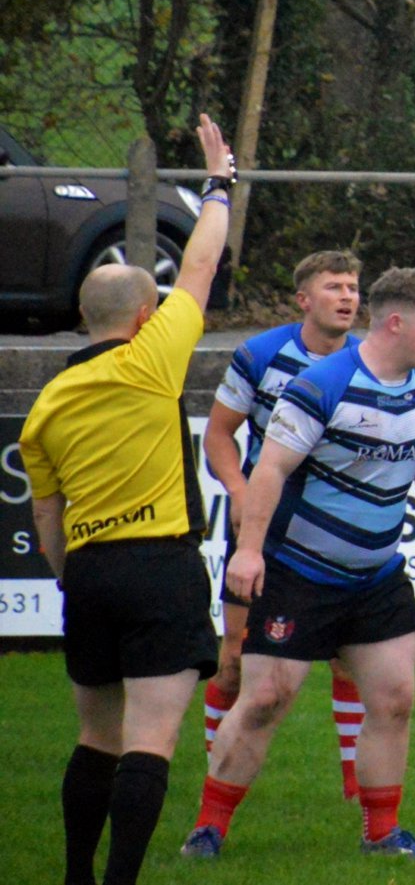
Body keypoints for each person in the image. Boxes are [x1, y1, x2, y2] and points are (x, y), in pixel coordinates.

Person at [183, 267, 415, 860]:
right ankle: (208, 828)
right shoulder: (321, 385)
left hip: (375, 576)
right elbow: (269, 470)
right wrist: (248, 552)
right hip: (297, 571)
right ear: (396, 322)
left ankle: (382, 834)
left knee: (396, 698)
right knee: (267, 698)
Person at [22, 114, 236, 885]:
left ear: (85, 317)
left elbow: (47, 518)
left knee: (95, 735)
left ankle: (77, 874)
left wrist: (69, 574)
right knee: (152, 738)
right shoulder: (151, 361)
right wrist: (219, 183)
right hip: (158, 565)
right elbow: (203, 265)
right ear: (145, 316)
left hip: (89, 573)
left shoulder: (48, 401)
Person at [199, 250, 365, 797]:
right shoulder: (261, 354)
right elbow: (219, 435)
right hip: (264, 526)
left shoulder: (371, 360)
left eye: (353, 287)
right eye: (334, 287)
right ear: (303, 300)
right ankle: (214, 777)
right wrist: (242, 491)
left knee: (350, 661)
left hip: (334, 531)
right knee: (234, 662)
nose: (347, 297)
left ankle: (354, 785)